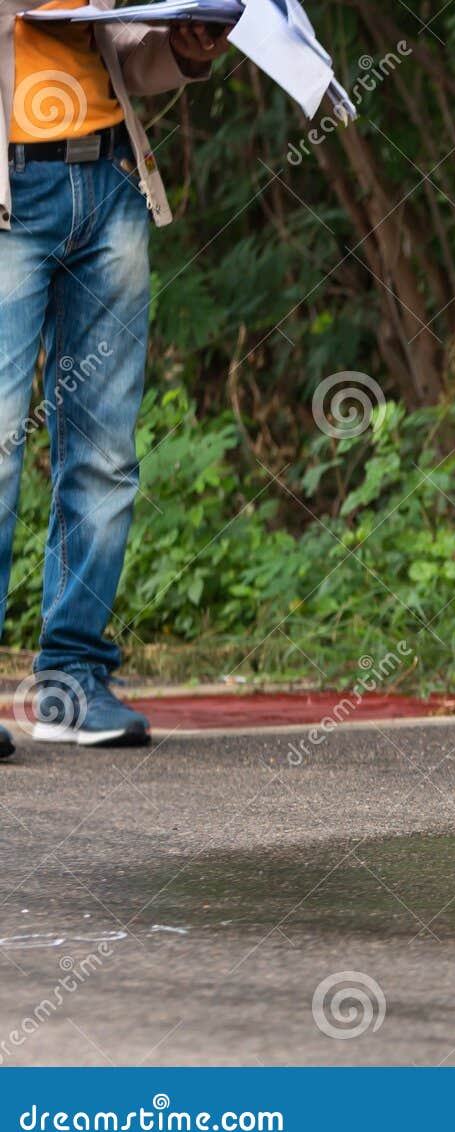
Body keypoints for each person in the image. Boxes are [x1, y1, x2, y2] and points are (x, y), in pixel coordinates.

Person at [0, 6, 229, 755]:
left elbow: (123, 53)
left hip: (109, 179)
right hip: (11, 189)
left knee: (103, 448)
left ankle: (70, 682)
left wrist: (182, 49)